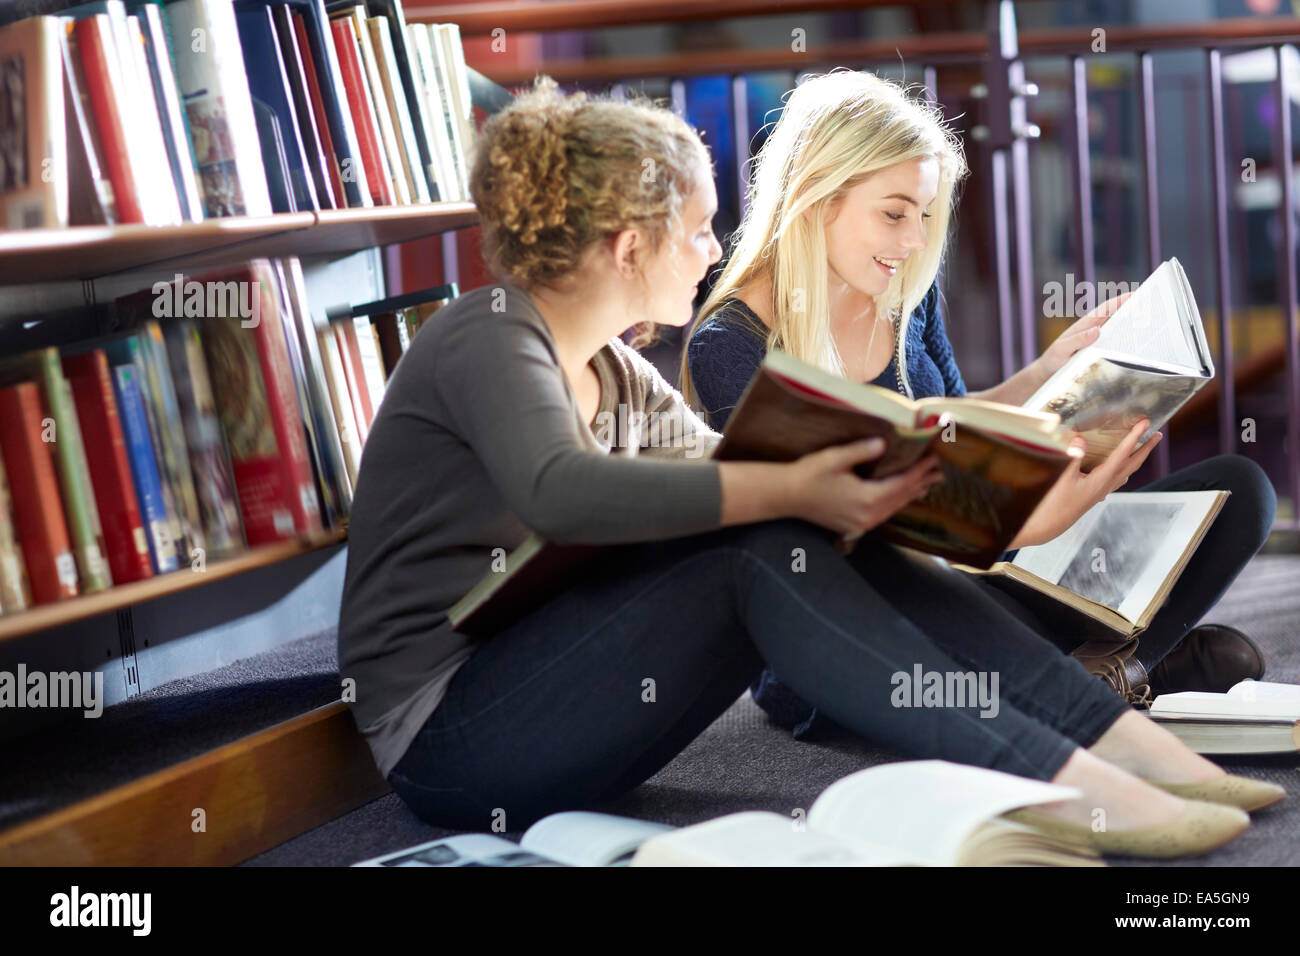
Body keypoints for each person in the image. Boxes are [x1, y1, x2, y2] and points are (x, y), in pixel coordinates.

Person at [337, 77, 1278, 859]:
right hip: (452, 745)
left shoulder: (619, 374)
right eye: (700, 232)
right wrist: (794, 487)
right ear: (629, 246)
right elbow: (562, 491)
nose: (715, 253)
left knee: (793, 523)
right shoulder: (489, 336)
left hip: (563, 710)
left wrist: (1005, 519)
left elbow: (768, 474)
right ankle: (1060, 778)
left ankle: (1116, 742)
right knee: (763, 535)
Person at [682, 69, 1276, 739]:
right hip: (867, 610)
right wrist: (1023, 529)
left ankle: (1087, 677)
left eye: (925, 215)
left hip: (977, 570)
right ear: (818, 196)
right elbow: (839, 541)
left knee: (1240, 492)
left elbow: (958, 420)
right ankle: (1109, 674)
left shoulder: (903, 290)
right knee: (948, 599)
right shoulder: (730, 345)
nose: (912, 241)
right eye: (895, 212)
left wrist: (1052, 376)